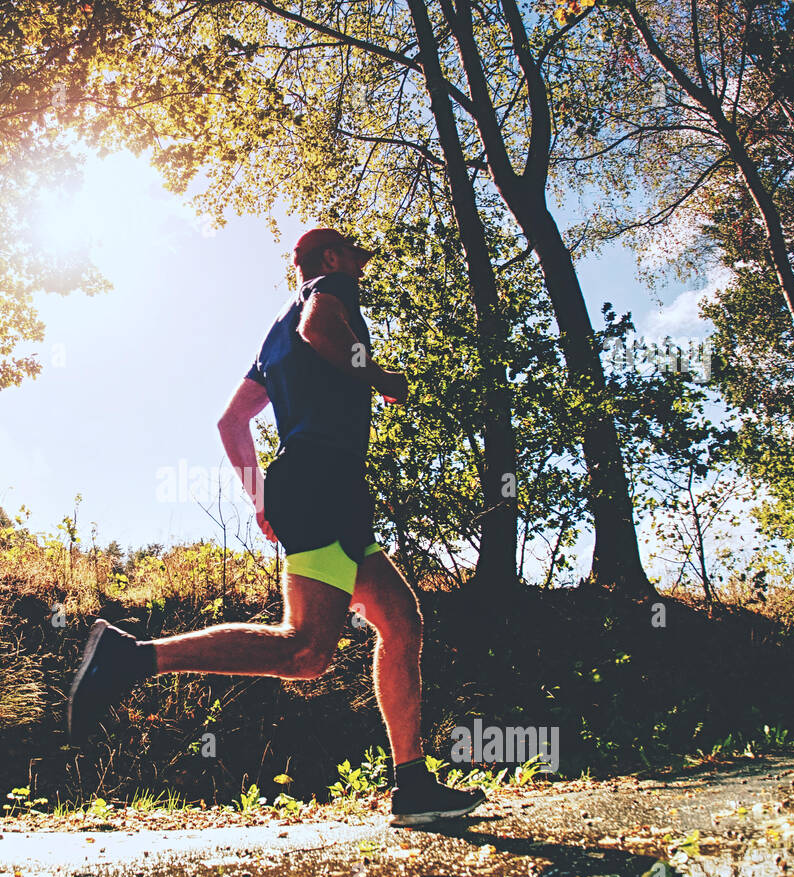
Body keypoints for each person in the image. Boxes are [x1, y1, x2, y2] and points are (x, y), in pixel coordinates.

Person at [66, 227, 485, 826]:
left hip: (324, 488)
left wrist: (260, 498)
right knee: (306, 650)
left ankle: (412, 783)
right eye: (355, 259)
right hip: (322, 483)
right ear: (331, 258)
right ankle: (130, 658)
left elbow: (231, 422)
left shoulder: (274, 335)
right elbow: (321, 331)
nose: (360, 269)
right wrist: (378, 377)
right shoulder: (327, 292)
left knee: (399, 618)